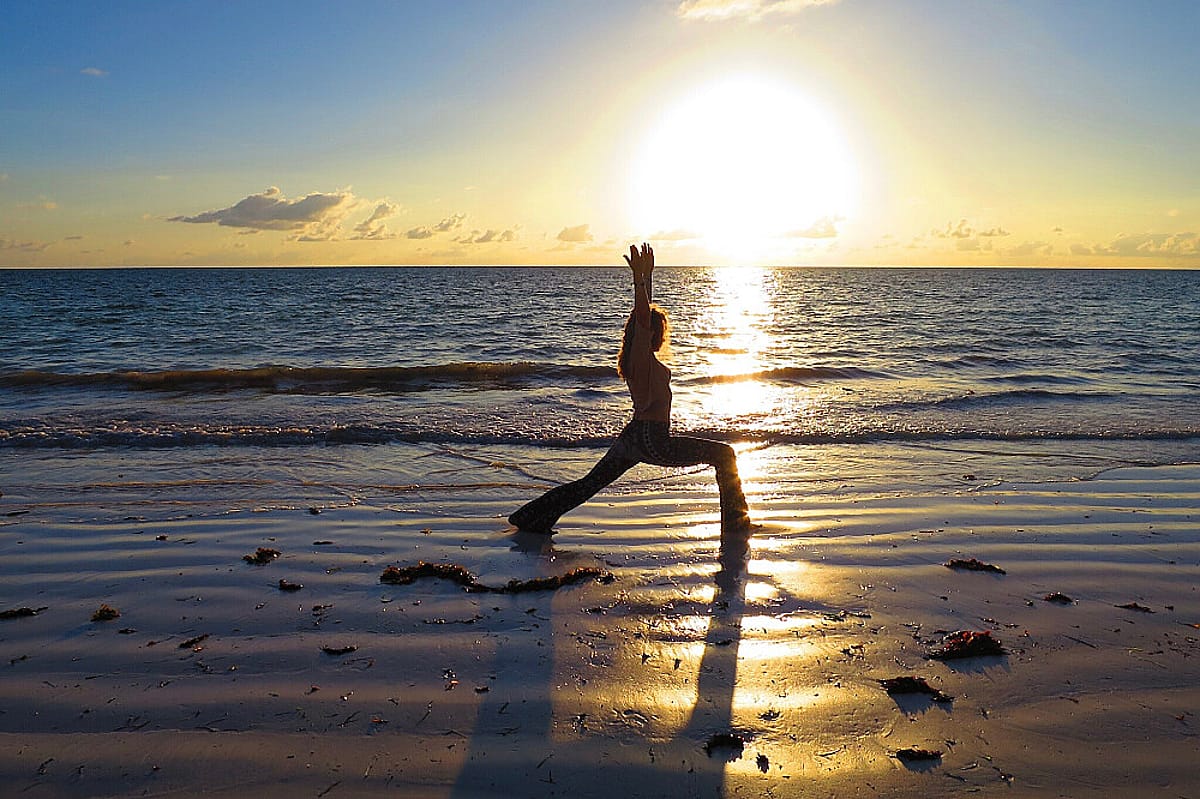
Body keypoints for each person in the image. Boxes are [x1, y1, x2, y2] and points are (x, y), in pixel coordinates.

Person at [508, 243, 752, 534]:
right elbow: (642, 315)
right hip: (652, 439)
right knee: (724, 455)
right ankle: (737, 526)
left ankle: (530, 517)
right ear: (649, 334)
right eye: (657, 330)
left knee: (590, 484)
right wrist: (639, 279)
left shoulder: (640, 360)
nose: (661, 335)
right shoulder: (641, 359)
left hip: (634, 435)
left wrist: (648, 276)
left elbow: (643, 313)